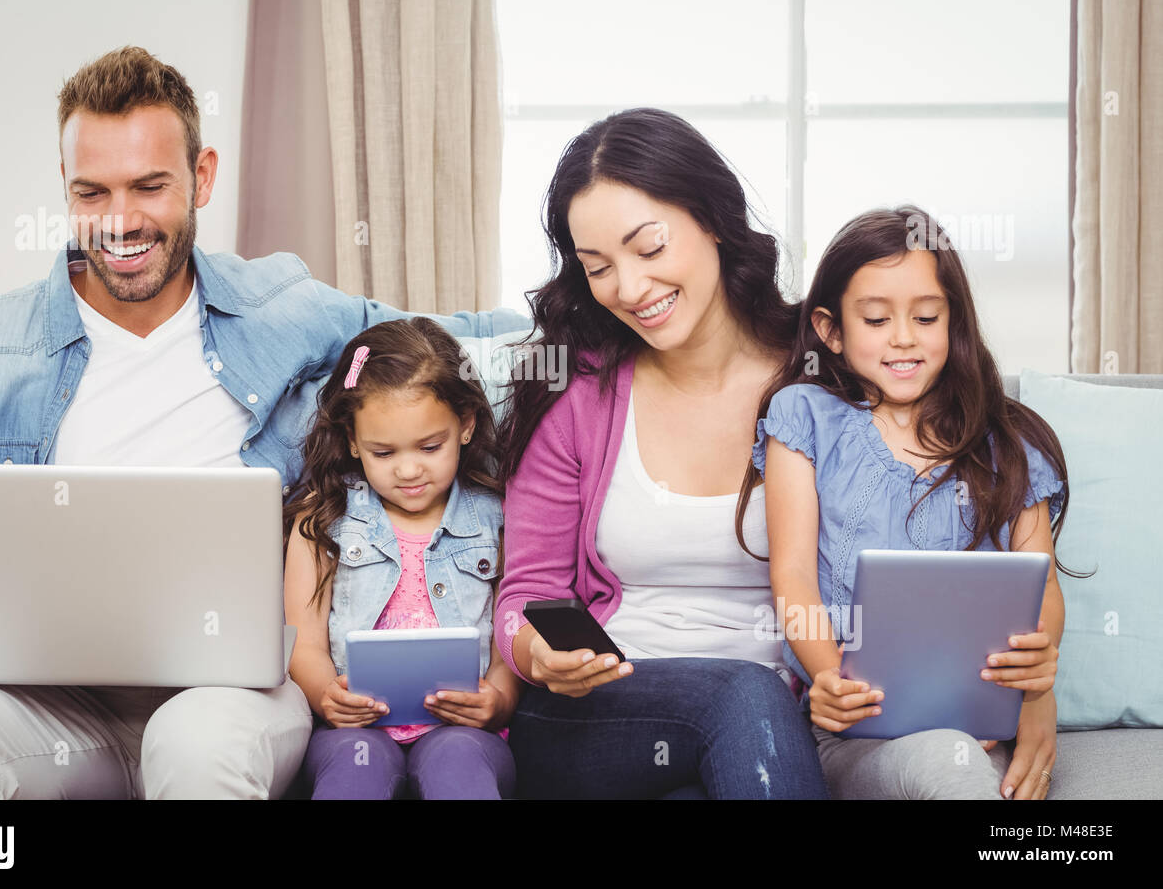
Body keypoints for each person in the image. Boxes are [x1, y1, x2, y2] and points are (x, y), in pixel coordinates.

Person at [0, 46, 528, 799]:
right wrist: (18, 577)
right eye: (93, 191)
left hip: (230, 690)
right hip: (43, 697)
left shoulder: (281, 306)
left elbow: (454, 343)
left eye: (150, 186)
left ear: (202, 176)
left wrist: (592, 326)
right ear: (65, 187)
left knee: (199, 746)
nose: (121, 220)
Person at [493, 108, 829, 799]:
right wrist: (538, 652)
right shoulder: (573, 392)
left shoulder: (822, 374)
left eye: (649, 247)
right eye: (599, 268)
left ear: (712, 217)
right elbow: (527, 594)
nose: (630, 288)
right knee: (743, 695)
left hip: (771, 722)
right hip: (598, 714)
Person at [748, 206, 1070, 800]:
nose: (903, 337)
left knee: (960, 765)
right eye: (875, 319)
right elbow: (792, 574)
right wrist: (828, 678)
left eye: (926, 317)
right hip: (858, 730)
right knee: (947, 766)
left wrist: (1035, 686)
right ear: (832, 330)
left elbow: (1042, 586)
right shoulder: (805, 416)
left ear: (953, 321)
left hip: (983, 724)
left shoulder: (1009, 442)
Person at [285, 319, 519, 799]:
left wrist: (498, 702)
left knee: (458, 763)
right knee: (354, 769)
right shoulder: (321, 519)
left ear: (466, 425)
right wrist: (326, 695)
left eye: (430, 447)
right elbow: (301, 642)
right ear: (352, 440)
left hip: (465, 732)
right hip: (352, 732)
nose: (409, 469)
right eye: (383, 452)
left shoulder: (498, 517)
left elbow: (508, 646)